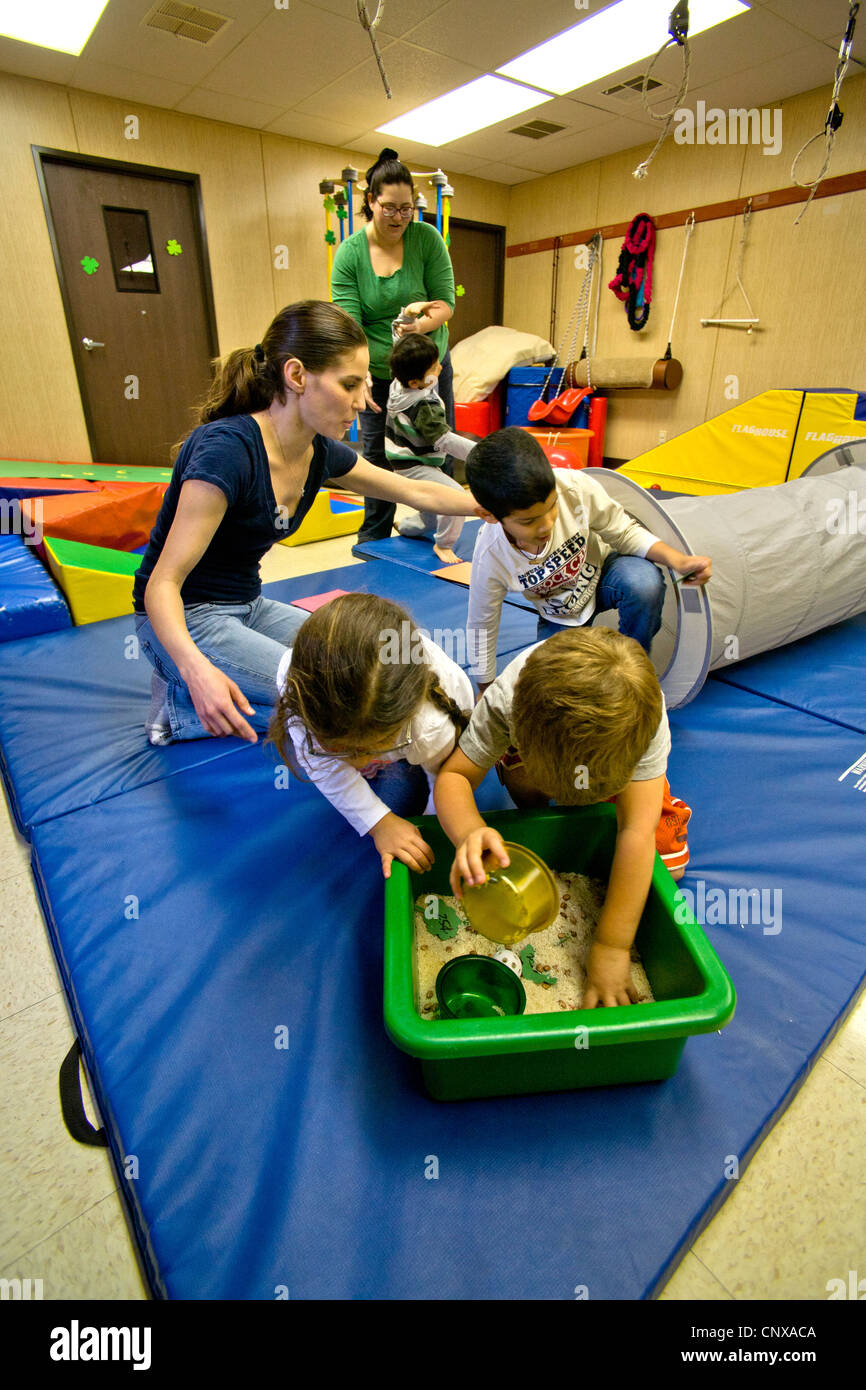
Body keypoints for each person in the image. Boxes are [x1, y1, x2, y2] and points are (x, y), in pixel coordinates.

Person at [133, 300, 478, 746]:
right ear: (296, 376)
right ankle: (181, 709)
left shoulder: (319, 451)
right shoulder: (227, 451)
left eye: (365, 384)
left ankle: (234, 692)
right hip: (183, 617)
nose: (362, 402)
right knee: (333, 702)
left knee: (363, 664)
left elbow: (414, 490)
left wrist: (487, 505)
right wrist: (195, 670)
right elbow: (162, 584)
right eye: (350, 385)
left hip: (248, 606)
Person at [433, 627, 692, 1008]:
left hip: (613, 760)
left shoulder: (644, 722)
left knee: (669, 870)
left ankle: (578, 790)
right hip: (537, 748)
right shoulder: (507, 704)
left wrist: (612, 945)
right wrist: (469, 833)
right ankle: (533, 785)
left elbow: (636, 831)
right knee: (527, 793)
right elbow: (454, 777)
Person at [464, 428, 712, 693]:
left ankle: (633, 667)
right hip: (561, 613)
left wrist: (678, 560)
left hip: (604, 575)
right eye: (529, 521)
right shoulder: (491, 553)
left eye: (552, 507)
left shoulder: (573, 487)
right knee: (553, 688)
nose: (546, 525)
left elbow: (624, 531)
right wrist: (485, 688)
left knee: (644, 582)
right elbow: (482, 622)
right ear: (490, 516)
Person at [269, 593, 472, 879]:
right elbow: (322, 765)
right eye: (339, 748)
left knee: (408, 813)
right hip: (394, 728)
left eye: (370, 749)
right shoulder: (296, 681)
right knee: (384, 816)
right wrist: (380, 823)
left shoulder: (431, 728)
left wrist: (433, 825)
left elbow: (448, 779)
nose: (358, 763)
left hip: (422, 735)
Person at [330, 148, 457, 545]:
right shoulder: (350, 253)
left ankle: (439, 523)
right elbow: (350, 322)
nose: (400, 217)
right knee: (378, 452)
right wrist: (361, 373)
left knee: (435, 442)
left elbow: (445, 302)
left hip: (428, 365)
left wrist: (418, 324)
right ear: (370, 201)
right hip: (380, 372)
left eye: (407, 209)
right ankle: (375, 533)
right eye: (389, 208)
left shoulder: (427, 239)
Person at [385, 333, 476, 566]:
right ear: (415, 382)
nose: (440, 367)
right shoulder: (424, 406)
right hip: (415, 464)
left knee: (430, 509)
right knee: (453, 498)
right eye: (434, 367)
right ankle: (443, 544)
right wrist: (479, 453)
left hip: (403, 457)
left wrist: (404, 320)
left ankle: (406, 526)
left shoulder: (398, 383)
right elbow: (444, 440)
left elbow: (400, 345)